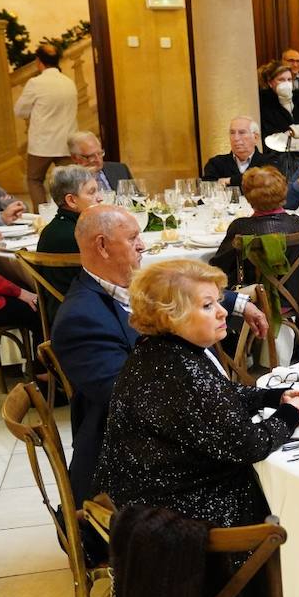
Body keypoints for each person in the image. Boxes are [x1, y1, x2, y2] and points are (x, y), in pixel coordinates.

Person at [52, 206, 267, 504]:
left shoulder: (127, 286)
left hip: (175, 431)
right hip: (140, 466)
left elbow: (178, 289)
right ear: (101, 246)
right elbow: (138, 401)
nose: (142, 245)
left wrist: (239, 304)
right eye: (132, 238)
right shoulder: (81, 318)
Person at [95, 259, 299, 527]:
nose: (223, 313)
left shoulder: (157, 349)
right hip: (182, 523)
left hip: (145, 504)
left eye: (218, 302)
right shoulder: (182, 371)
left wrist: (272, 397)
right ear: (171, 315)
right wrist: (293, 413)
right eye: (207, 305)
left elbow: (220, 394)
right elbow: (251, 446)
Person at [208, 166, 299, 283]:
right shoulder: (297, 223)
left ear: (247, 196)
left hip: (251, 296)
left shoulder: (240, 227)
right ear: (284, 191)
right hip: (292, 295)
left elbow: (218, 265)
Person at [14, 43, 77, 207]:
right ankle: (70, 213)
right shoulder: (69, 82)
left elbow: (20, 110)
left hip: (42, 144)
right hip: (66, 142)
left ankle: (42, 219)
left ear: (38, 61)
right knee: (68, 184)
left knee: (35, 180)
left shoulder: (36, 83)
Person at [35, 165, 101, 297]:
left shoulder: (50, 230)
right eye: (91, 192)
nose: (100, 198)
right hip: (87, 312)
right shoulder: (80, 235)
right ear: (71, 200)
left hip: (58, 310)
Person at [257, 60, 299, 163]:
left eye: (289, 79)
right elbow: (271, 140)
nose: (286, 83)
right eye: (281, 80)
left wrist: (292, 132)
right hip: (281, 161)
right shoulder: (264, 103)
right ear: (270, 82)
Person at [201, 117, 274, 185]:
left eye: (242, 132)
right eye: (232, 133)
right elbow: (208, 189)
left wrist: (230, 181)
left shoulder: (269, 162)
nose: (236, 138)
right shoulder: (216, 163)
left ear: (255, 137)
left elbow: (267, 184)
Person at [68, 132, 132, 195]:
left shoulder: (120, 169)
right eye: (91, 156)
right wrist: (84, 175)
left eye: (100, 153)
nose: (98, 159)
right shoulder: (68, 179)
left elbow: (136, 199)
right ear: (75, 158)